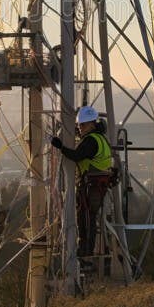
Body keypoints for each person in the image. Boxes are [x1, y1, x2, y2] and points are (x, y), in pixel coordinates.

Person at [50, 105, 113, 266]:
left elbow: (77, 156)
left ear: (91, 124)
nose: (80, 128)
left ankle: (85, 252)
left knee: (86, 219)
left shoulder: (91, 141)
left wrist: (61, 147)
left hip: (91, 185)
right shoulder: (100, 138)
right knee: (88, 218)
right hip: (98, 183)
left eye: (82, 125)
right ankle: (85, 251)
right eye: (79, 125)